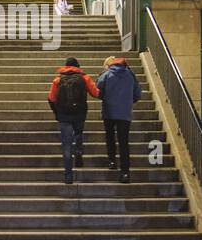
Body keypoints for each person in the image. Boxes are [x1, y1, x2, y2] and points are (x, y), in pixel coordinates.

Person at [48, 56, 100, 184]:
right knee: (78, 133)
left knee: (66, 145)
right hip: (79, 113)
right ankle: (78, 150)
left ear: (65, 67)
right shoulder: (84, 78)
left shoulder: (57, 80)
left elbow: (51, 98)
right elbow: (96, 93)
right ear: (78, 67)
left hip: (64, 115)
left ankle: (68, 175)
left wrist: (57, 112)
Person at [97, 55, 142, 184]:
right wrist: (128, 102)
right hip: (125, 114)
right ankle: (125, 172)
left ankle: (111, 161)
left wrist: (107, 99)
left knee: (110, 137)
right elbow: (138, 94)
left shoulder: (106, 75)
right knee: (124, 142)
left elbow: (98, 91)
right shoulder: (130, 75)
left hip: (109, 112)